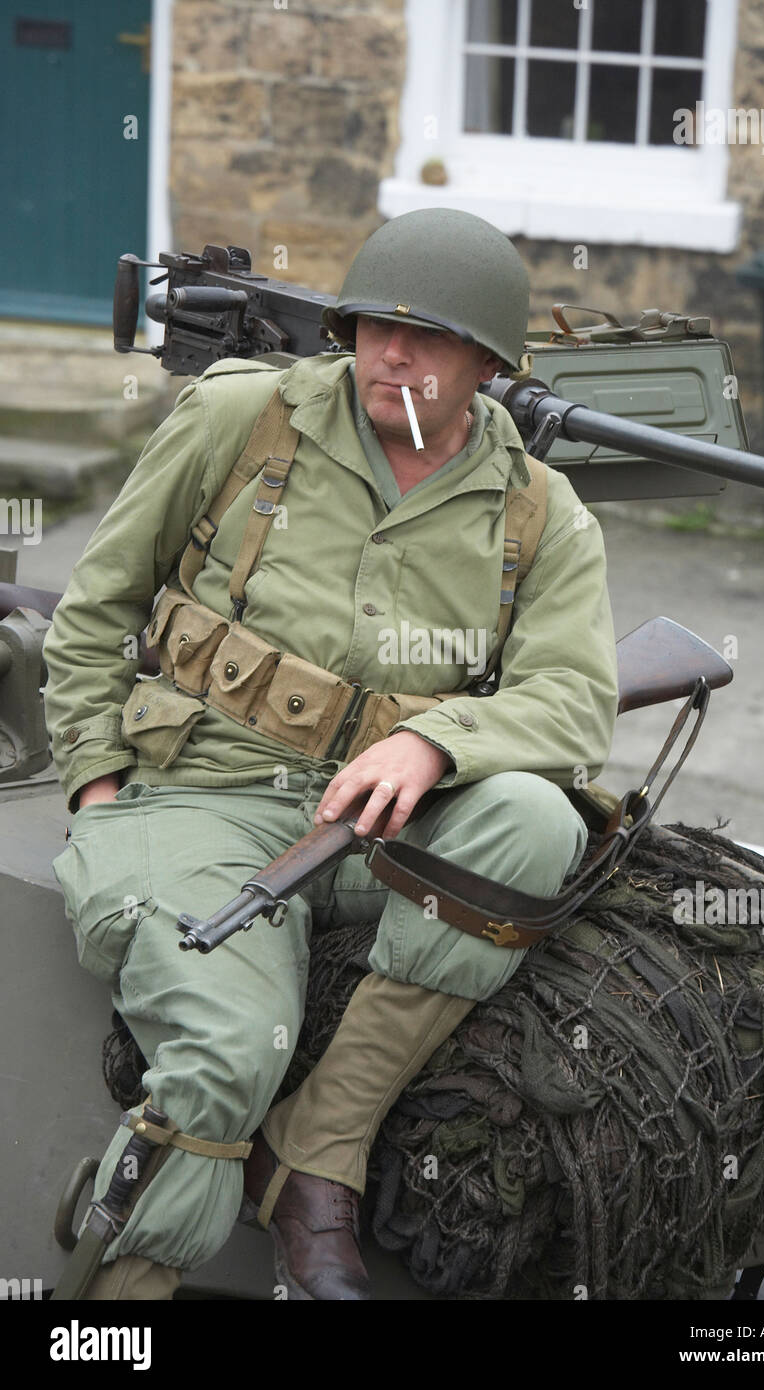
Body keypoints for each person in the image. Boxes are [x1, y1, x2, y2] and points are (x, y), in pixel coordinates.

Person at [43, 207, 619, 1300]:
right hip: (200, 798)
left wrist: (436, 739)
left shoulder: (544, 516)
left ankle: (319, 1152)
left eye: (430, 336)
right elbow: (92, 611)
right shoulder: (241, 418)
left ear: (491, 363)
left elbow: (576, 701)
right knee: (226, 1051)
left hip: (371, 832)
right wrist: (96, 781)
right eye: (370, 326)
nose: (392, 353)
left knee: (539, 821)